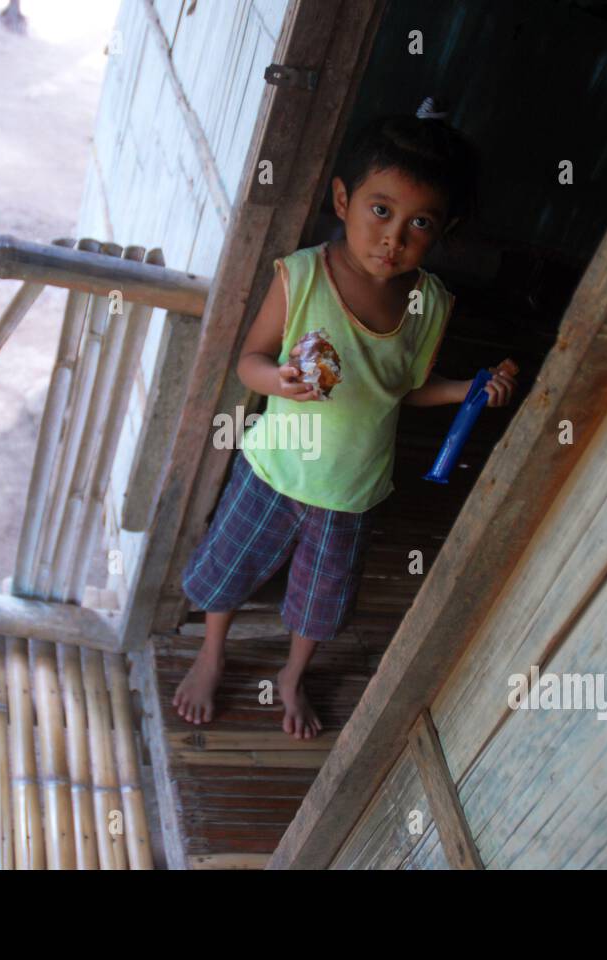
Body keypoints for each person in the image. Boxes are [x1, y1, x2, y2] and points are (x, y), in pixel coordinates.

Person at [175, 100, 519, 739]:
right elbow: (250, 359)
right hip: (274, 469)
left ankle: (292, 677)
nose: (394, 237)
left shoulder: (428, 303)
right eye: (381, 211)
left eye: (420, 223)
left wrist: (467, 391)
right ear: (343, 199)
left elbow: (405, 389)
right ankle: (211, 653)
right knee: (229, 569)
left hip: (353, 491)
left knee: (320, 599)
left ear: (444, 231)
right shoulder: (302, 277)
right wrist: (274, 378)